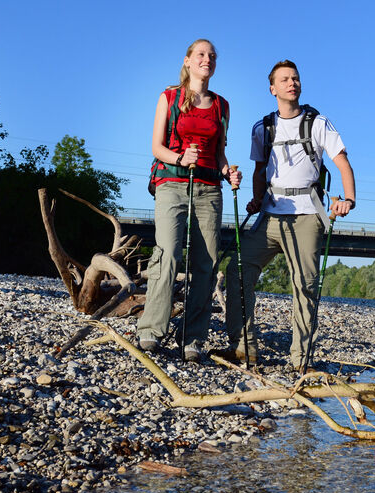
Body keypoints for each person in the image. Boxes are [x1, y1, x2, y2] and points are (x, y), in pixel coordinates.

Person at [222, 59, 357, 372]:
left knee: (305, 285)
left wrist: (348, 199)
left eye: (295, 78)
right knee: (237, 271)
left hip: (309, 215)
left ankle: (301, 360)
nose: (291, 83)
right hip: (269, 215)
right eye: (284, 79)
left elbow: (343, 163)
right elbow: (259, 169)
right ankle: (243, 349)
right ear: (273, 89)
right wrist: (256, 198)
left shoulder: (318, 122)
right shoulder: (263, 127)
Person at [137, 39, 242, 361]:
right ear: (187, 61)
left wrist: (228, 171)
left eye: (212, 56)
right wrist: (181, 158)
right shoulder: (169, 97)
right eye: (201, 55)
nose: (206, 60)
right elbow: (156, 147)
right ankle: (151, 331)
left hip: (209, 189)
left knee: (205, 265)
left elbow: (219, 153)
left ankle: (192, 338)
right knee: (168, 254)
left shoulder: (222, 106)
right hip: (172, 184)